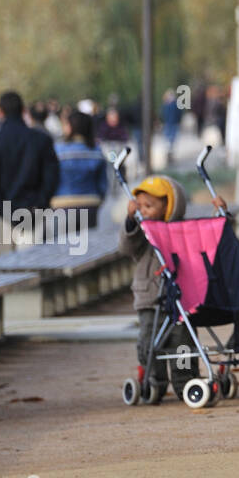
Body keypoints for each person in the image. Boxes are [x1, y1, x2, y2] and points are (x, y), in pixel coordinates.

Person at [117, 175, 195, 392]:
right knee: (149, 343)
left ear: (170, 206)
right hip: (149, 299)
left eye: (149, 206)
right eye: (140, 206)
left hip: (180, 301)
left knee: (182, 344)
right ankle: (154, 380)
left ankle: (185, 381)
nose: (143, 210)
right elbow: (126, 248)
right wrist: (131, 221)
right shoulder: (142, 233)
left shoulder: (181, 231)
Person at [0, 91, 60, 219]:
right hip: (34, 212)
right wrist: (40, 203)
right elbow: (51, 176)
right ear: (23, 110)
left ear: (0, 111)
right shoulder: (41, 140)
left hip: (1, 216)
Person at [54, 111, 109, 200]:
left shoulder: (58, 150)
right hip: (91, 201)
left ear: (70, 127)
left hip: (62, 201)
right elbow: (102, 183)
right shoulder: (97, 151)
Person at [160, 89, 183, 165]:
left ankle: (170, 153)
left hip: (171, 123)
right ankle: (169, 153)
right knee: (170, 139)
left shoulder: (168, 104)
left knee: (170, 139)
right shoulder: (170, 104)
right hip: (170, 123)